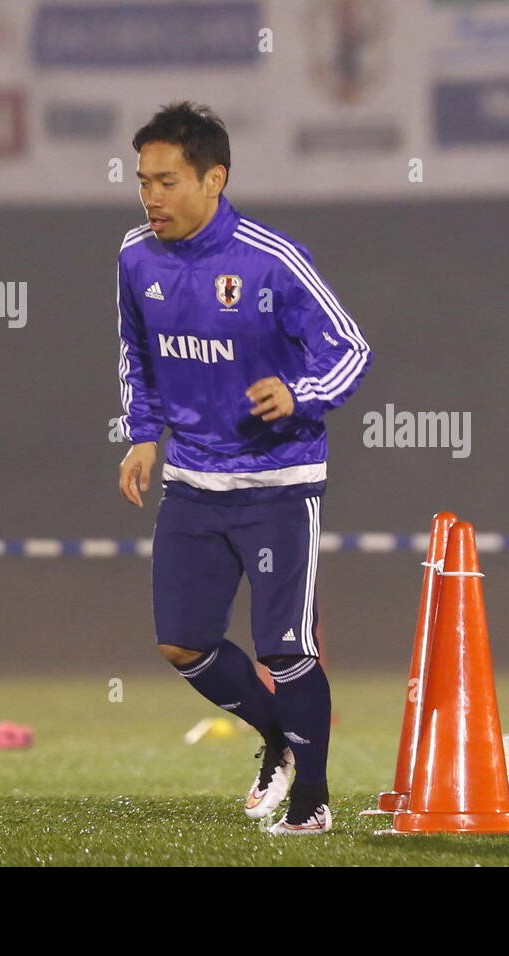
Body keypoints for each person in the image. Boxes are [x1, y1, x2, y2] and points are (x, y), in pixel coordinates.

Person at [116, 102, 371, 834]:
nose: (151, 197)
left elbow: (350, 351)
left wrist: (300, 393)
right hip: (192, 485)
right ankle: (275, 739)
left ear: (214, 179)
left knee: (285, 647)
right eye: (143, 181)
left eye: (167, 180)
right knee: (182, 643)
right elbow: (135, 352)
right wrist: (142, 435)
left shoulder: (271, 259)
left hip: (278, 485)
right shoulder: (136, 256)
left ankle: (314, 799)